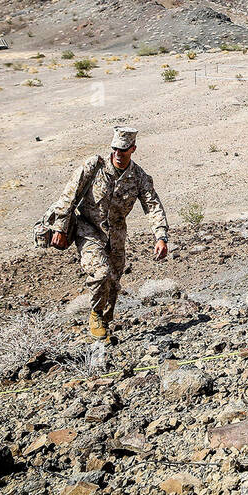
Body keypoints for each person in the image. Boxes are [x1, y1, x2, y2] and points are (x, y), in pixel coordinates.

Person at [46, 126, 169, 339]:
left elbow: (152, 205)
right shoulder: (95, 166)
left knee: (113, 280)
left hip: (117, 233)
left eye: (124, 150)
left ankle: (105, 319)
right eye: (115, 150)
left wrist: (161, 236)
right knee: (100, 273)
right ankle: (95, 314)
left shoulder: (140, 177)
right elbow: (69, 195)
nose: (119, 154)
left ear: (133, 149)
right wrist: (60, 228)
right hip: (88, 228)